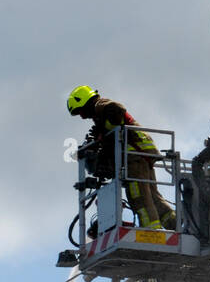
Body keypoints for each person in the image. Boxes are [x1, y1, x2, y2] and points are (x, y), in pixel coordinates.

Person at [66, 85, 176, 231]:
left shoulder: (101, 106)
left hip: (134, 156)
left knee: (139, 197)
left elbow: (117, 109)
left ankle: (152, 233)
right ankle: (177, 225)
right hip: (141, 155)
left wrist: (104, 131)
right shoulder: (99, 114)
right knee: (154, 197)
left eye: (80, 111)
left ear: (84, 101)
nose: (81, 116)